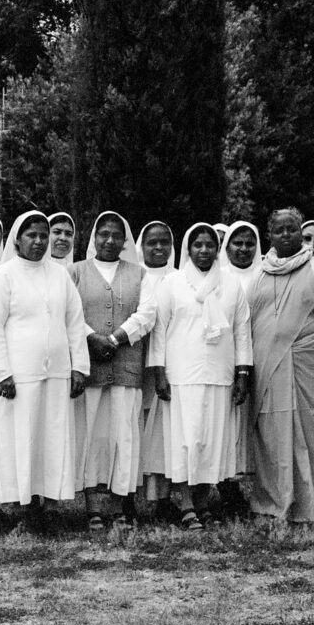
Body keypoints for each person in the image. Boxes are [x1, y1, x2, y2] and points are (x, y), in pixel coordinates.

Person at [0, 212, 89, 524]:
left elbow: (74, 322)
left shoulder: (59, 275)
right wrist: (2, 373)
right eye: (32, 235)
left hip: (56, 373)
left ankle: (50, 506)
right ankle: (23, 507)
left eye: (44, 235)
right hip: (19, 377)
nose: (40, 241)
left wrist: (79, 367)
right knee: (22, 439)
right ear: (17, 238)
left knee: (53, 438)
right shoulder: (5, 275)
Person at [149, 224, 253, 528]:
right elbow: (159, 331)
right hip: (181, 374)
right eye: (198, 245)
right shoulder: (172, 283)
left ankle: (204, 501)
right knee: (187, 441)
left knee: (212, 441)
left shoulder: (231, 285)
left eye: (210, 245)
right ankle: (184, 502)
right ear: (188, 249)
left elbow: (242, 332)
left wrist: (243, 373)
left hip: (220, 374)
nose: (204, 250)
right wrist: (158, 373)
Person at [245, 207, 314, 523]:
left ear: (301, 233)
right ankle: (272, 502)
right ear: (269, 235)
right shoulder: (258, 275)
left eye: (292, 229)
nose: (286, 235)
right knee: (272, 433)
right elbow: (247, 323)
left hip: (310, 364)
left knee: (313, 432)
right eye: (279, 230)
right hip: (267, 368)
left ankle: (312, 504)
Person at [70, 211, 157, 531]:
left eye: (115, 235)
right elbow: (68, 313)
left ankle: (120, 505)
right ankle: (94, 506)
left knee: (124, 435)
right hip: (89, 367)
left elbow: (147, 313)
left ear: (125, 241)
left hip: (126, 367)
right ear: (94, 237)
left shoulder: (140, 273)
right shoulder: (74, 272)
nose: (109, 240)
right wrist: (91, 338)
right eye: (103, 234)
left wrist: (117, 338)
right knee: (93, 435)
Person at [219, 221, 264, 512]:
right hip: (229, 359)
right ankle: (228, 486)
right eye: (238, 243)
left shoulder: (265, 274)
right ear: (227, 247)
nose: (244, 249)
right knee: (230, 423)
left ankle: (262, 485)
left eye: (250, 243)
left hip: (265, 355)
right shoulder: (219, 277)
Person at [136, 221, 178, 516]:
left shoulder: (179, 278)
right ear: (141, 245)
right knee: (135, 429)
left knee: (162, 432)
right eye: (152, 242)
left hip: (168, 366)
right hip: (134, 365)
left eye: (165, 242)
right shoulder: (134, 276)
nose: (159, 247)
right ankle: (130, 496)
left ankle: (161, 497)